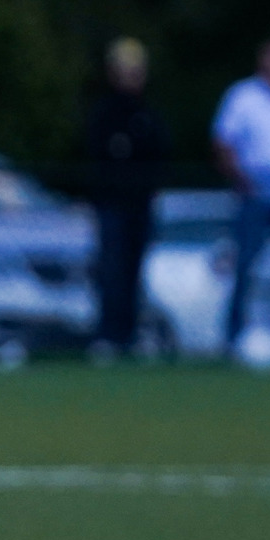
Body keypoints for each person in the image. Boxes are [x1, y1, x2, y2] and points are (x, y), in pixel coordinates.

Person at [85, 37, 168, 357]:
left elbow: (160, 154)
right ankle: (109, 335)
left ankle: (132, 335)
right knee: (111, 271)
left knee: (135, 273)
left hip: (140, 204)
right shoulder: (104, 112)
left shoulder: (148, 114)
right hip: (111, 204)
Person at [213, 37, 270, 348]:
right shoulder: (242, 96)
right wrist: (242, 180)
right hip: (254, 191)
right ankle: (234, 338)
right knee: (246, 265)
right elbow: (224, 142)